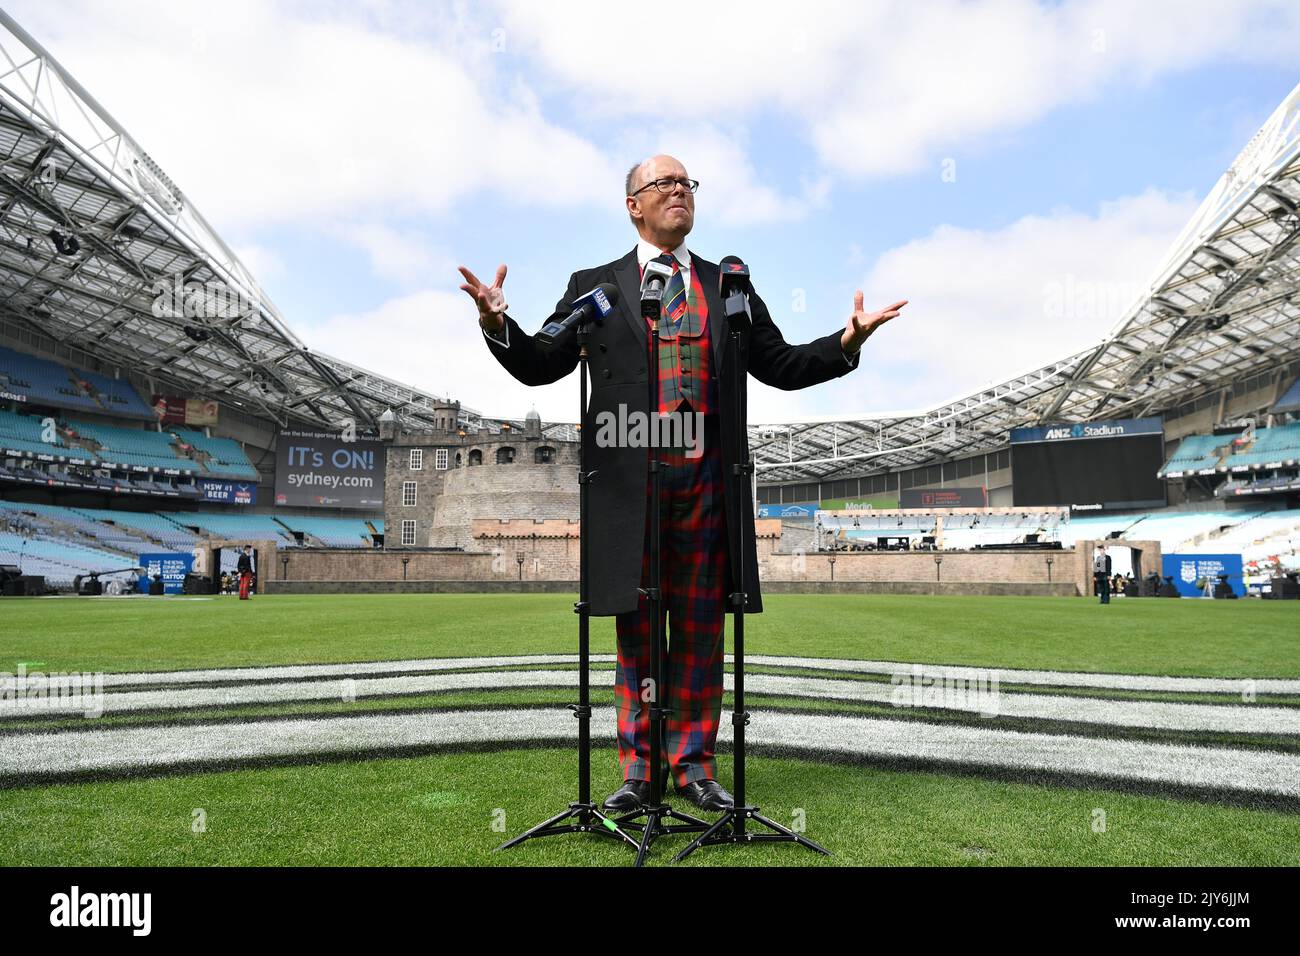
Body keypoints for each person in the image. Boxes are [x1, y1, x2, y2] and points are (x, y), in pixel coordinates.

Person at [461, 154, 907, 814]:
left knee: (700, 629)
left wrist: (845, 341)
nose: (679, 191)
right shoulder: (597, 287)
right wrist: (498, 324)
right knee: (635, 628)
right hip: (627, 479)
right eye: (663, 183)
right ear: (632, 205)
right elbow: (542, 362)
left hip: (706, 478)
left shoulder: (727, 284)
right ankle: (639, 769)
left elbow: (779, 364)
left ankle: (693, 765)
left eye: (686, 183)